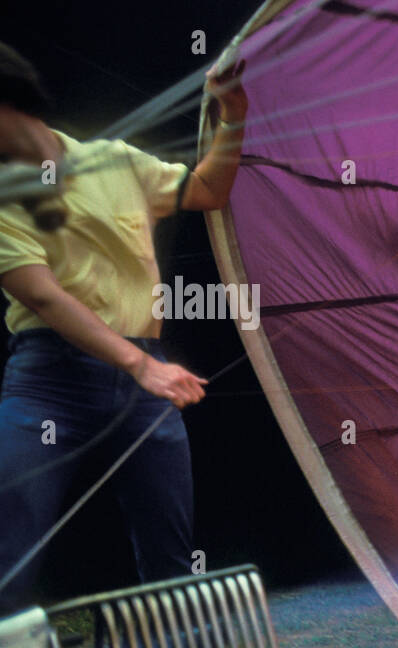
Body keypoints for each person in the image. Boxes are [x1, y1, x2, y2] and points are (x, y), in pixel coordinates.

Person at [0, 42, 247, 613]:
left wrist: (234, 116)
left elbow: (209, 190)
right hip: (50, 381)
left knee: (169, 550)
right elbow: (43, 295)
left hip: (143, 374)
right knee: (11, 539)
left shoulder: (115, 160)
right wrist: (141, 366)